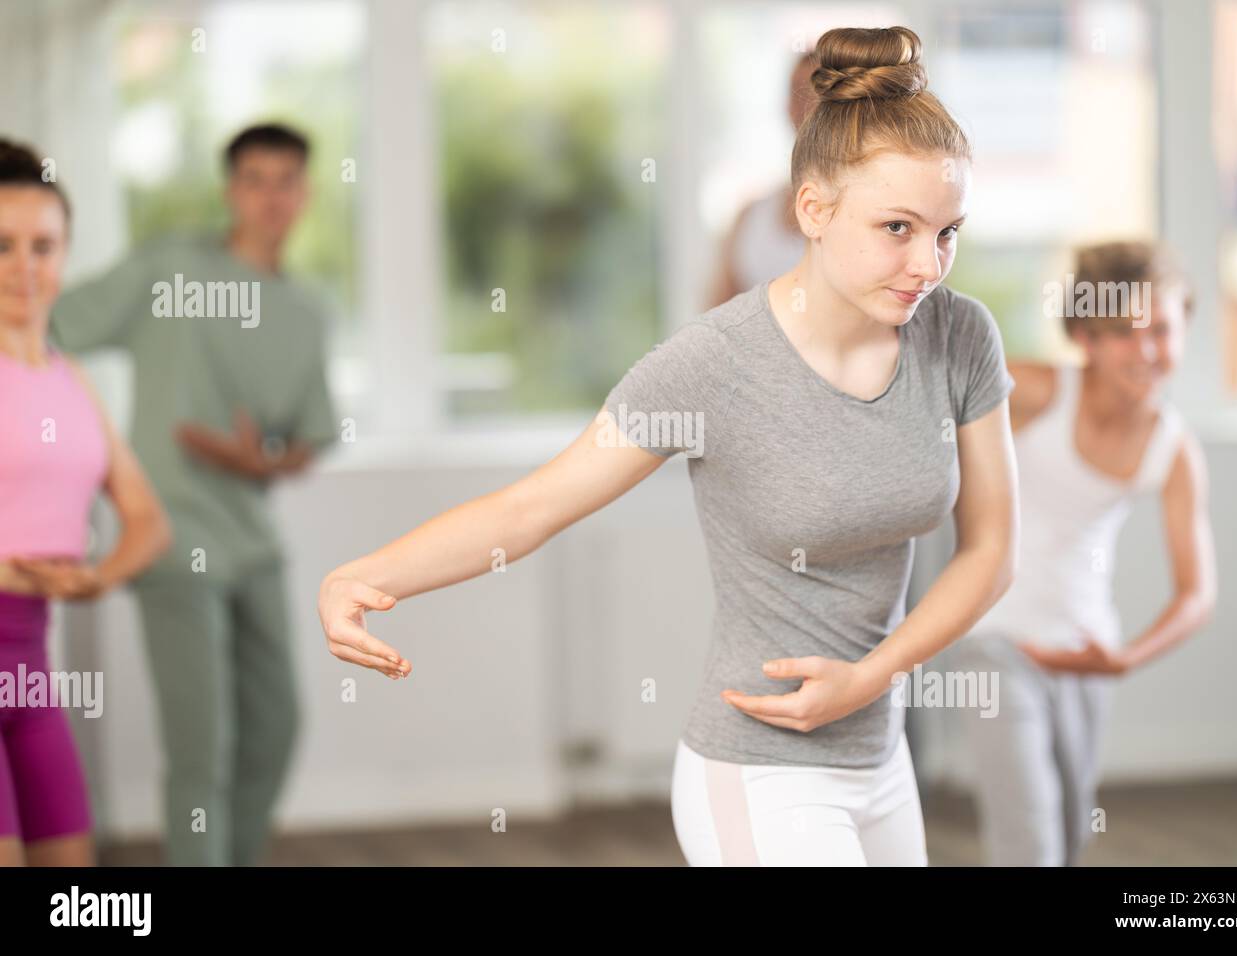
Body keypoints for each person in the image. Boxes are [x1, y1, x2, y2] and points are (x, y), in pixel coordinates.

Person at [317, 26, 1019, 866]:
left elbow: (992, 549)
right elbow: (535, 507)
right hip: (759, 767)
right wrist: (360, 577)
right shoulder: (714, 365)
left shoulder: (960, 335)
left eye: (948, 231)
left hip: (880, 758)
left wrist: (875, 676)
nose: (928, 264)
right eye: (897, 227)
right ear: (813, 210)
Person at [48, 123, 340, 866]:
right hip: (173, 540)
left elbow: (304, 442)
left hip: (253, 542)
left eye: (285, 182)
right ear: (230, 191)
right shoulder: (168, 269)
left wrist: (256, 461)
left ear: (303, 194)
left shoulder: (308, 314)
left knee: (276, 730)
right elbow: (45, 325)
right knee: (200, 749)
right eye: (254, 180)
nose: (270, 197)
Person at [951, 240, 1218, 866]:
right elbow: (932, 392)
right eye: (1122, 332)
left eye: (1161, 329)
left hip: (1084, 649)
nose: (1146, 350)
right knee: (1029, 842)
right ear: (1084, 338)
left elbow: (1197, 591)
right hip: (994, 638)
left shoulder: (1174, 451)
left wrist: (1124, 659)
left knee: (1070, 838)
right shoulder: (1038, 391)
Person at [0, 138, 172, 867]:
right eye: (2, 244)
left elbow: (150, 519)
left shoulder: (73, 384)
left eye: (44, 245)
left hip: (30, 667)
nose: (25, 266)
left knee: (74, 891)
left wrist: (97, 578)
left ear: (67, 255)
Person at [705, 52, 817, 309]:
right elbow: (714, 317)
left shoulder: (861, 213)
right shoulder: (751, 215)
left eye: (814, 90)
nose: (804, 103)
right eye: (796, 91)